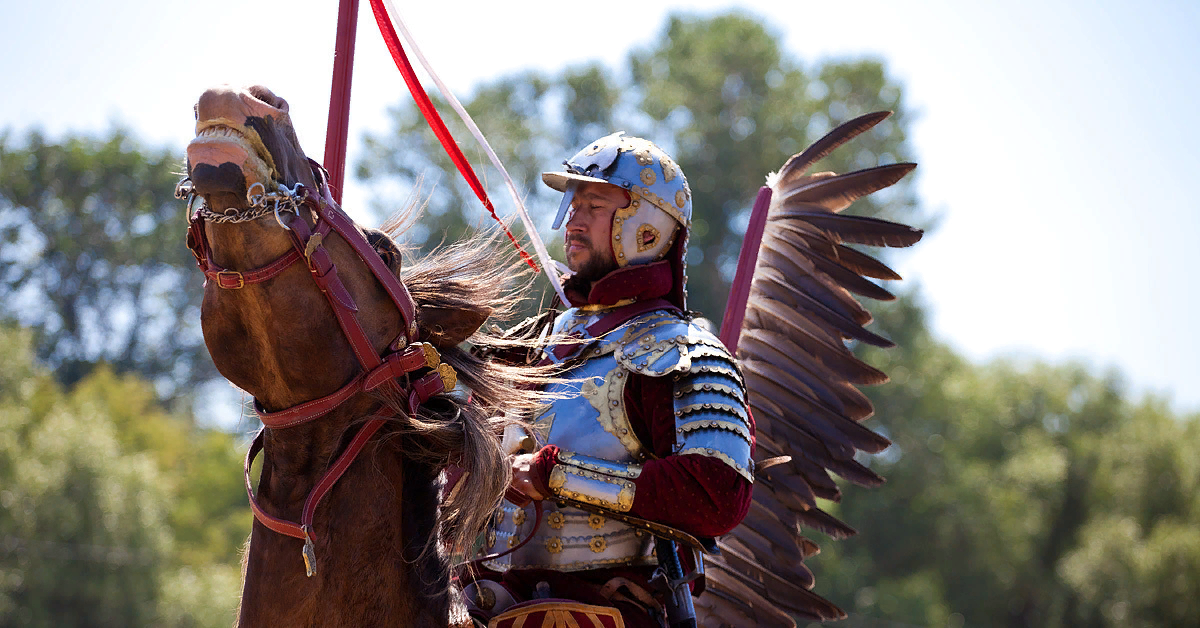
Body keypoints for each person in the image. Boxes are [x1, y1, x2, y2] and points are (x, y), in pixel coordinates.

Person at [462, 133, 755, 628]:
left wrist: (556, 476)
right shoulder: (528, 344)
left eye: (593, 205)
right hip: (486, 601)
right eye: (572, 204)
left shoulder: (682, 350)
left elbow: (717, 491)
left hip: (608, 612)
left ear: (646, 227)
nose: (573, 219)